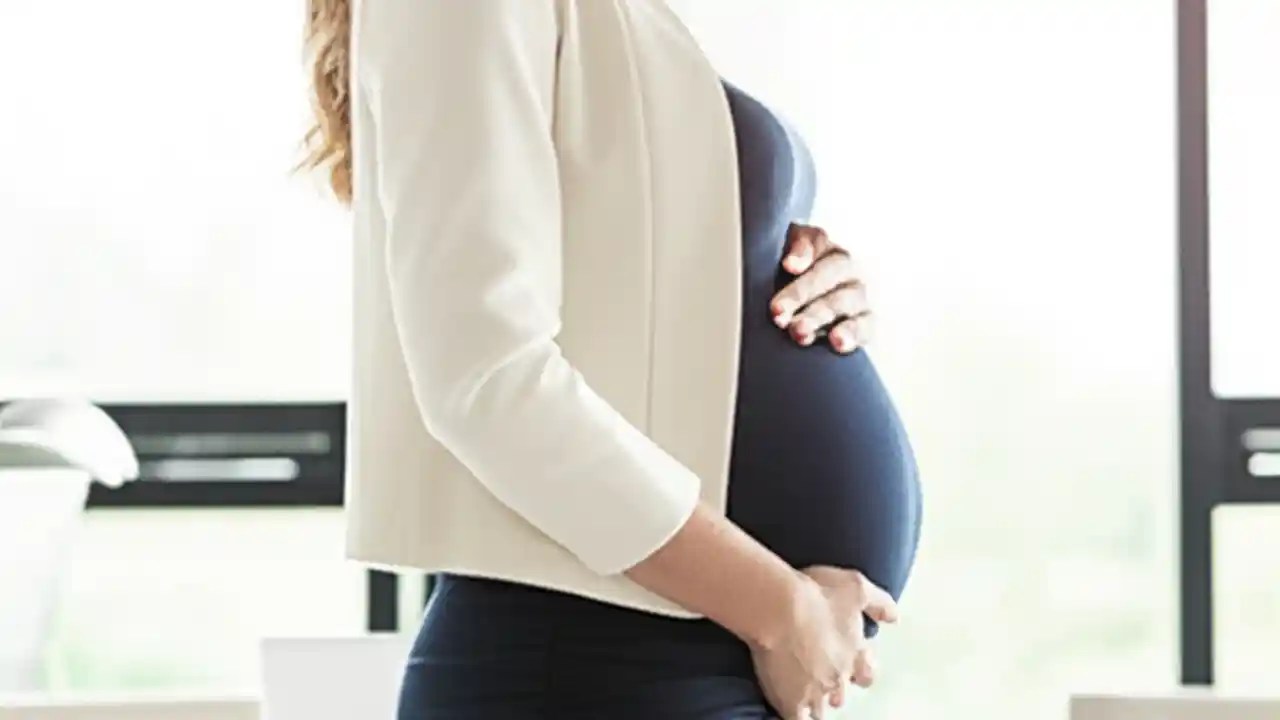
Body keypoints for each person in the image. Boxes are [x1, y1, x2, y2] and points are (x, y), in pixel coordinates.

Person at [301, 2, 922, 718]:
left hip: (671, 660)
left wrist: (783, 270)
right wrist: (781, 610)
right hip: (593, 662)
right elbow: (484, 380)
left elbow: (629, 277)